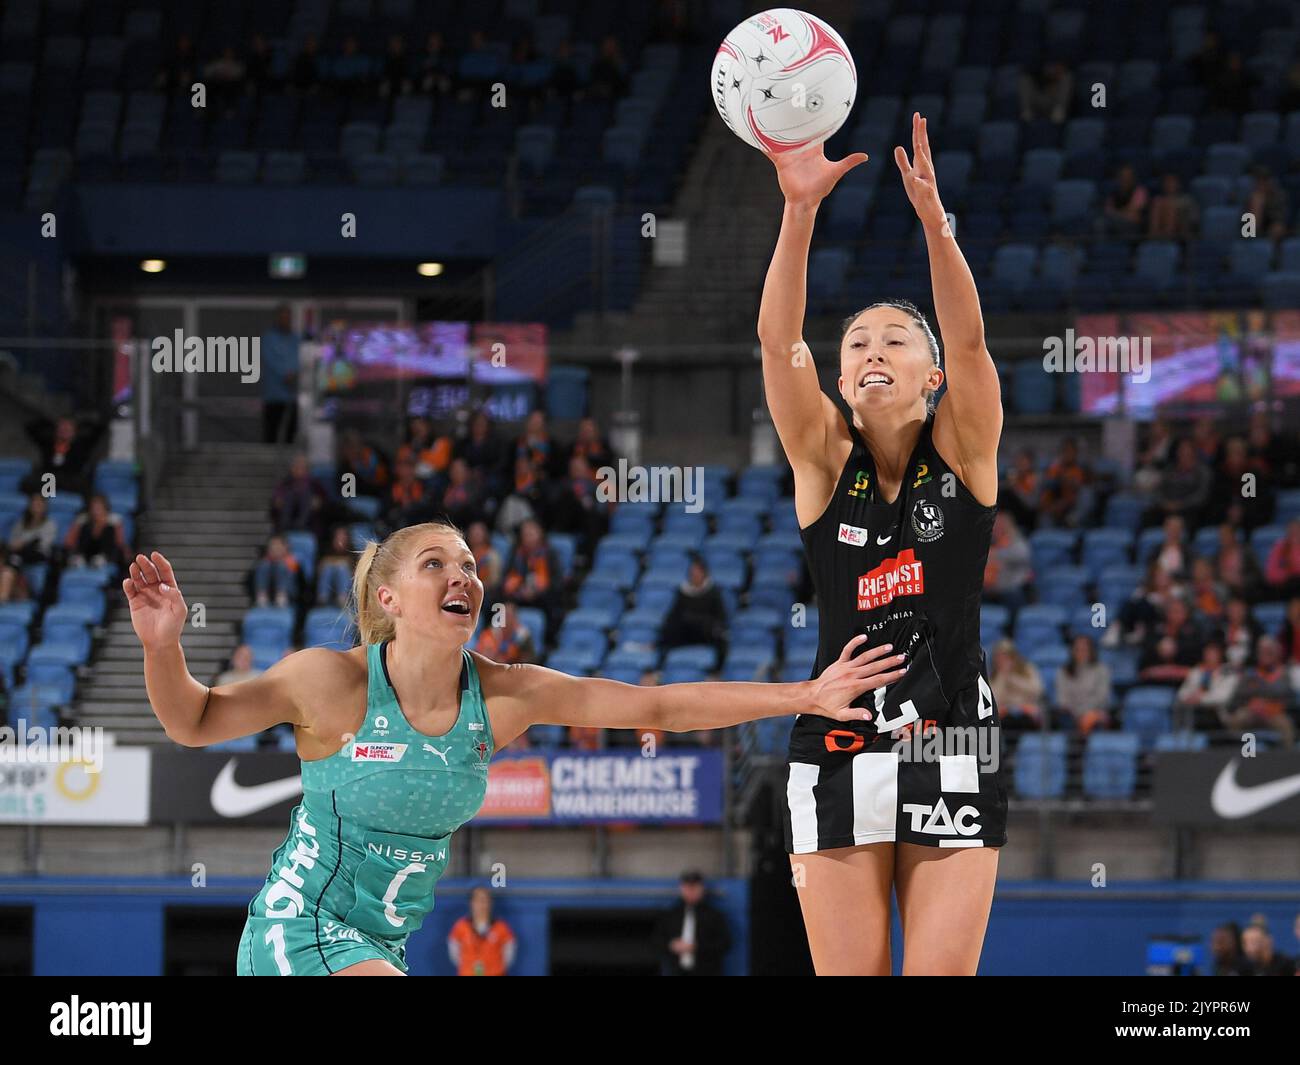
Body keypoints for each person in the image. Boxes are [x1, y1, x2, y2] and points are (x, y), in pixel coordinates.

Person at [124, 520, 905, 975]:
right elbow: (192, 722)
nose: (463, 573)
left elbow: (661, 704)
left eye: (469, 564)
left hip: (381, 947)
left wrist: (805, 695)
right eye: (438, 563)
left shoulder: (505, 696)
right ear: (389, 599)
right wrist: (164, 648)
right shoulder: (332, 685)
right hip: (298, 929)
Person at [759, 113, 1006, 975]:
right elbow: (777, 342)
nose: (872, 349)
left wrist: (938, 227)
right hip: (838, 734)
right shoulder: (824, 464)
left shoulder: (967, 450)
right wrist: (798, 213)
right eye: (857, 341)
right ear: (841, 380)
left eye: (896, 339)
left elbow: (970, 338)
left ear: (931, 377)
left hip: (953, 737)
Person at [1222, 635, 1295, 747]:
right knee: (1235, 720)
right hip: (1251, 712)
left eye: (1269, 652)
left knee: (1286, 726)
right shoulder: (1249, 674)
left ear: (1277, 654)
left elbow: (1291, 699)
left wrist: (1271, 705)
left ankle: (1285, 759)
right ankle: (1235, 756)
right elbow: (1235, 700)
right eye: (1262, 652)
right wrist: (1251, 703)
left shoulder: (1284, 674)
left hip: (1274, 713)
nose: (1265, 656)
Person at [656, 871, 731, 976]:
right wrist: (672, 945)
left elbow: (725, 943)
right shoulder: (670, 914)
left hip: (707, 971)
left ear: (702, 889)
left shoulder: (714, 915)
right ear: (681, 889)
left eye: (694, 887)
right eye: (687, 887)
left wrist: (697, 947)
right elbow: (657, 941)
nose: (691, 891)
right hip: (677, 971)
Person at [661, 555, 728, 661]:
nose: (694, 575)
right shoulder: (683, 592)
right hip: (686, 631)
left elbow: (720, 617)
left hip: (705, 632)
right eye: (692, 572)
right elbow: (674, 614)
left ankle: (716, 670)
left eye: (697, 572)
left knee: (720, 636)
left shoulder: (714, 593)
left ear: (704, 573)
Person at [446, 886, 515, 976]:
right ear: (471, 903)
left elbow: (509, 954)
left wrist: (495, 967)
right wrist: (468, 965)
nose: (482, 905)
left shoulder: (501, 927)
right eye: (478, 900)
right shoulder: (460, 926)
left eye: (485, 900)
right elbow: (454, 953)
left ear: (490, 903)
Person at [1, 494, 56, 602]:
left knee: (14, 561)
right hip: (19, 556)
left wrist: (25, 544)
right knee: (9, 567)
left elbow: (43, 546)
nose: (36, 507)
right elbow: (13, 543)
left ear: (45, 507)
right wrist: (25, 544)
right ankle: (5, 598)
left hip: (37, 556)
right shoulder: (21, 523)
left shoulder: (49, 524)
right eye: (34, 504)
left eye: (39, 504)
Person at [1053, 635, 1112, 734]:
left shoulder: (1101, 670)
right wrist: (1078, 715)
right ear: (1072, 651)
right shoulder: (1063, 671)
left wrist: (1086, 714)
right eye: (1077, 649)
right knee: (1063, 721)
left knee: (1096, 721)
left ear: (1091, 651)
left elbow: (1101, 697)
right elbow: (1062, 698)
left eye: (1084, 649)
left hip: (1094, 712)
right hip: (1070, 714)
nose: (1081, 652)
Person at [1173, 642, 1237, 732]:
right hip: (1193, 713)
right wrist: (1188, 698)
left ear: (1220, 655)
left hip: (1217, 716)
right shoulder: (1196, 672)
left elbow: (1223, 698)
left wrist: (1200, 699)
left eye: (1213, 653)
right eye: (1207, 653)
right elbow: (1181, 693)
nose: (1210, 656)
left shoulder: (1228, 673)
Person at [260, 305, 300, 444]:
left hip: (292, 396)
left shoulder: (296, 339)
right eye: (283, 317)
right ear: (277, 318)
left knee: (291, 432)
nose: (285, 320)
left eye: (288, 317)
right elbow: (270, 359)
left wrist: (294, 373)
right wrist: (285, 373)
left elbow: (300, 360)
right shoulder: (269, 339)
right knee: (271, 433)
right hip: (273, 396)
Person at [64, 493, 130, 573]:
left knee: (109, 531)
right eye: (93, 508)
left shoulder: (114, 523)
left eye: (99, 508)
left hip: (107, 555)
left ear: (105, 508)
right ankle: (80, 559)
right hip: (85, 554)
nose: (96, 511)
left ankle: (102, 560)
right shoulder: (83, 522)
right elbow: (69, 542)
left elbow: (120, 544)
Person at [982, 511, 1032, 612]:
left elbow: (1022, 555)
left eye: (1000, 525)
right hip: (991, 589)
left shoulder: (1016, 541)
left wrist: (995, 555)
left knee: (1013, 595)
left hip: (1012, 588)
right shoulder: (989, 540)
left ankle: (1012, 625)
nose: (996, 528)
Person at [990, 639, 1044, 732]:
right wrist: (1002, 676)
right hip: (1004, 716)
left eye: (1006, 656)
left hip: (1026, 713)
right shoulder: (993, 676)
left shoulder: (1027, 670)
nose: (1002, 660)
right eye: (999, 657)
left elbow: (1037, 691)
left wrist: (1012, 678)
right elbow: (994, 700)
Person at [252, 535, 300, 608]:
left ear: (285, 547)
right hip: (269, 592)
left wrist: (283, 562)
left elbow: (298, 579)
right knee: (264, 565)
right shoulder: (264, 563)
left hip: (289, 593)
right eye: (273, 546)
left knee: (281, 566)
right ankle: (261, 595)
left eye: (278, 546)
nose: (275, 548)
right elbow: (251, 580)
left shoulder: (292, 560)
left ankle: (281, 595)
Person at [1147, 173, 1198, 239]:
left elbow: (1194, 219)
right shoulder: (1158, 200)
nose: (1169, 185)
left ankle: (1168, 237)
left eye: (1172, 182)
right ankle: (1154, 236)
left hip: (1181, 229)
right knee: (1158, 202)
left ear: (1178, 184)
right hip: (1159, 230)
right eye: (1167, 182)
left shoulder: (1187, 199)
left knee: (1170, 205)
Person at [316, 525, 355, 608]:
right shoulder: (326, 549)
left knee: (342, 568)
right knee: (327, 568)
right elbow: (321, 565)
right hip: (330, 577)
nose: (340, 538)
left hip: (348, 581)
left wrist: (337, 563)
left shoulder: (352, 550)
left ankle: (342, 598)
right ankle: (323, 597)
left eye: (343, 536)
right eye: (338, 536)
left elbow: (353, 567)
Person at [1264, 519, 1300, 600]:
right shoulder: (1279, 547)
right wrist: (1287, 574)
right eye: (1291, 530)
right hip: (1285, 586)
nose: (1294, 533)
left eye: (1297, 530)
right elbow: (1271, 573)